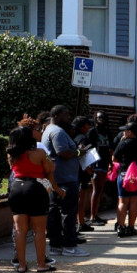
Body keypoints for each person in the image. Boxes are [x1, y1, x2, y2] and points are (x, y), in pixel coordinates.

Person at [6, 124, 59, 272]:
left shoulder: (11, 154)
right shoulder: (40, 153)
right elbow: (51, 167)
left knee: (20, 230)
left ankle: (21, 265)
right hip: (35, 188)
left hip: (16, 188)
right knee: (39, 230)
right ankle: (41, 264)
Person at [42, 105, 83, 257]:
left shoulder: (49, 130)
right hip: (65, 179)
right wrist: (79, 151)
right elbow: (63, 153)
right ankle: (69, 246)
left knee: (55, 211)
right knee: (68, 212)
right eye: (66, 116)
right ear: (57, 116)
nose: (69, 118)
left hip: (56, 178)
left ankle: (56, 245)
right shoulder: (57, 132)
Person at [110, 121, 137, 237]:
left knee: (123, 201)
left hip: (124, 174)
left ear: (130, 132)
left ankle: (121, 227)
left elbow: (114, 159)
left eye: (125, 130)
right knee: (135, 201)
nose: (123, 132)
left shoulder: (123, 143)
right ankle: (131, 227)